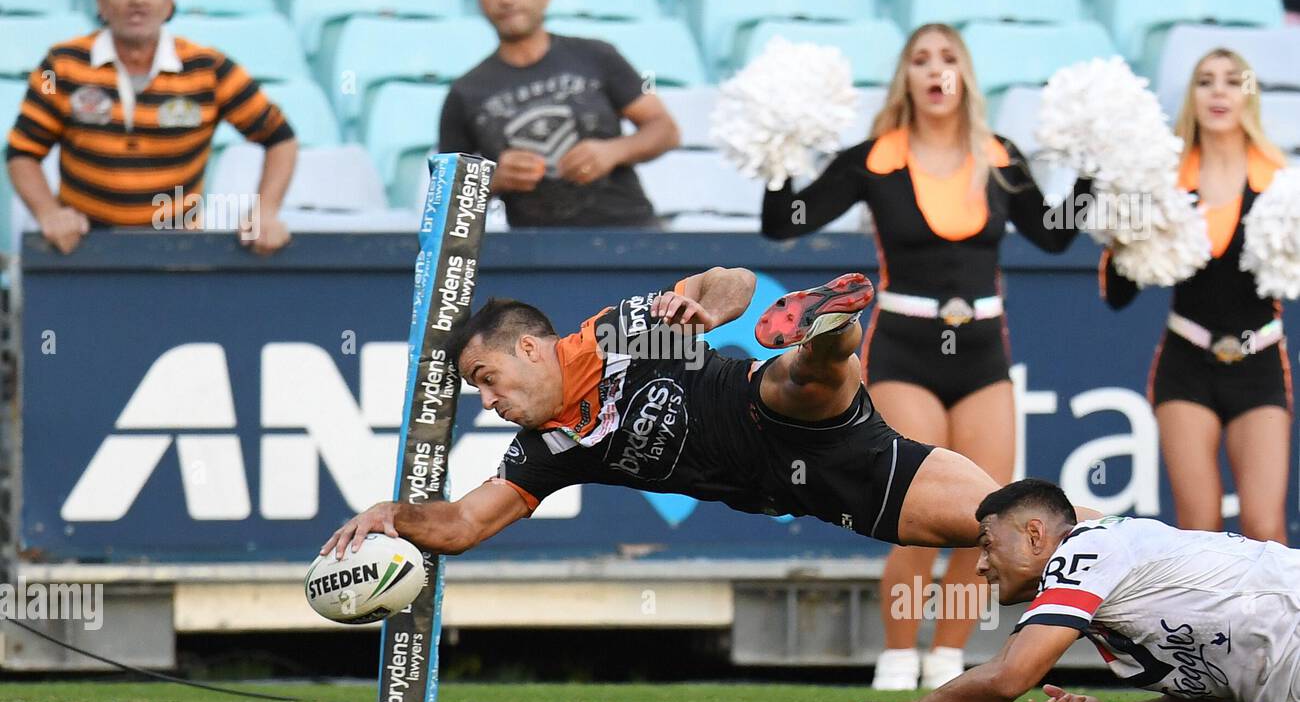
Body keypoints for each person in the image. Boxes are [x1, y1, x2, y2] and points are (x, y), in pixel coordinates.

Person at [322, 268, 1094, 566]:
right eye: (477, 393)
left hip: (768, 414)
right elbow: (461, 526)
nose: (487, 402)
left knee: (797, 383)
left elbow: (728, 283)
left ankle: (826, 328)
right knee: (1004, 528)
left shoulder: (612, 335)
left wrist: (697, 307)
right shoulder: (548, 449)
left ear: (532, 347)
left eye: (487, 379)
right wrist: (393, 515)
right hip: (829, 488)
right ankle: (1148, 554)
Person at [760, 23, 1093, 690]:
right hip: (906, 346)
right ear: (904, 78)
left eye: (949, 59)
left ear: (966, 75)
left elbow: (1055, 237)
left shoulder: (1000, 156)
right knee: (918, 511)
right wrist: (777, 155)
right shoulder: (874, 156)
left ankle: (947, 659)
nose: (936, 71)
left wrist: (1095, 165)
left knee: (986, 519)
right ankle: (895, 656)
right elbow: (785, 221)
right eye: (921, 60)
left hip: (983, 351)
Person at [851, 478, 1300, 702]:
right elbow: (1223, 698)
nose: (980, 565)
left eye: (987, 543)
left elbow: (1009, 676)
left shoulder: (1085, 547)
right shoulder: (1108, 594)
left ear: (1034, 535)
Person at [1101, 49, 1290, 544]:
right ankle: (1206, 627)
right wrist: (1124, 234)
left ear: (1248, 95)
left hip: (1260, 363)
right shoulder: (1165, 182)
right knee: (1199, 527)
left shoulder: (1283, 183)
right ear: (1192, 98)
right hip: (1186, 364)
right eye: (1205, 81)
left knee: (1264, 527)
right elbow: (1117, 295)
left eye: (1232, 80)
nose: (1219, 91)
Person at [5, 0, 296, 255]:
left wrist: (265, 211)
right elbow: (22, 152)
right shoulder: (60, 66)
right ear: (101, 5)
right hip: (84, 249)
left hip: (181, 250)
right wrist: (48, 213)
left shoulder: (209, 69)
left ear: (168, 5)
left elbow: (280, 138)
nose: (137, 1)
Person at [438, 0, 679, 228]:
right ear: (479, 0)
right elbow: (445, 196)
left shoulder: (599, 55)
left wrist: (613, 151)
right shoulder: (464, 92)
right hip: (536, 257)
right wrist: (495, 178)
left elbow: (665, 129)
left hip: (631, 233)